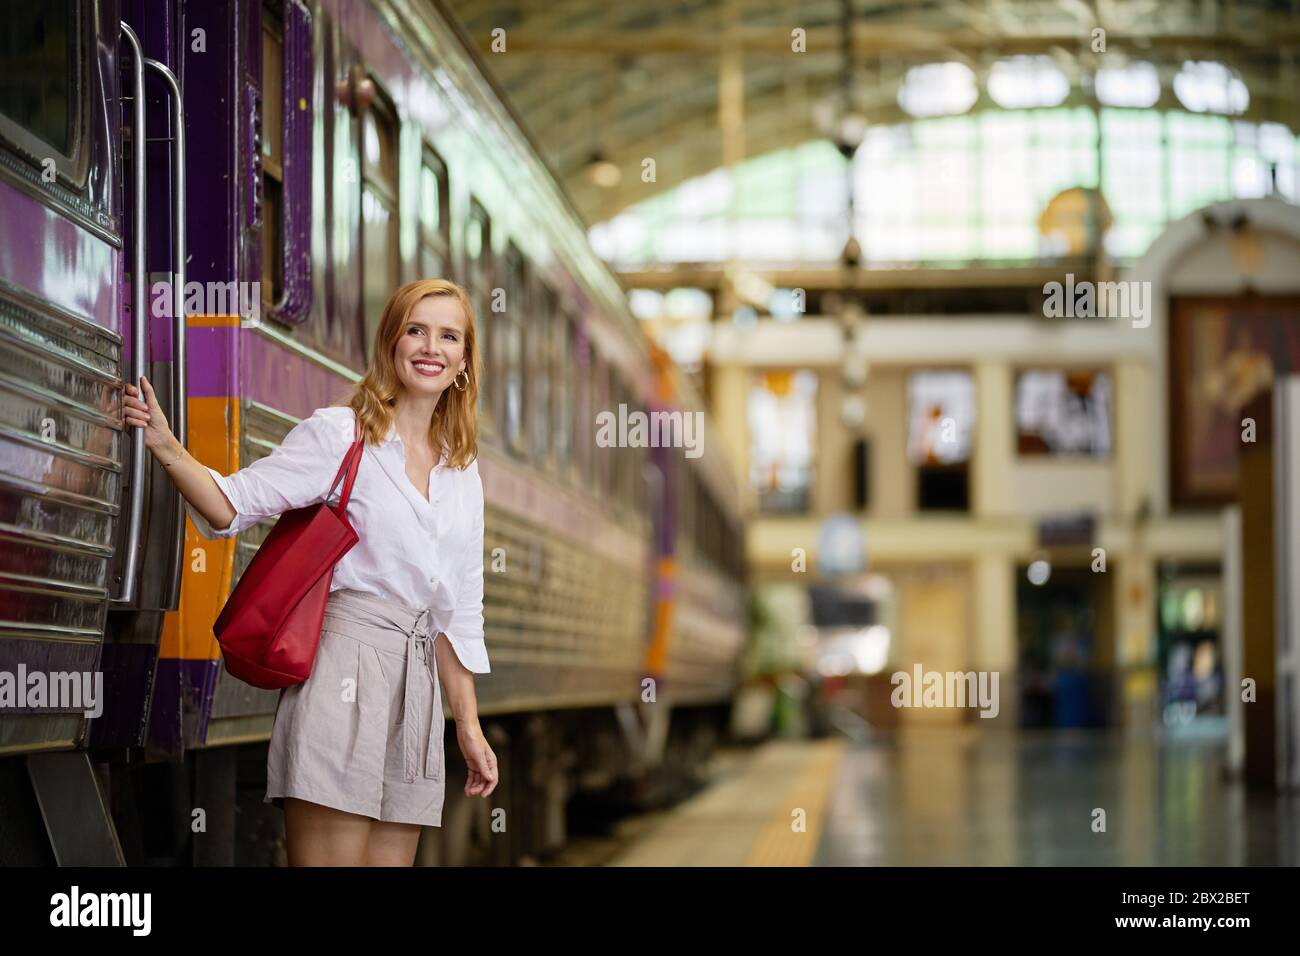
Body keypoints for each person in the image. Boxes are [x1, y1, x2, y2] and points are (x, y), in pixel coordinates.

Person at [123, 278, 498, 866]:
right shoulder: (342, 434)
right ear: (391, 342)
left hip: (419, 685)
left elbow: (458, 612)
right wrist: (168, 447)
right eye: (416, 330)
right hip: (344, 669)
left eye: (449, 336)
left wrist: (468, 727)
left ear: (465, 359)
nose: (431, 347)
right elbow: (232, 505)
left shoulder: (462, 470)